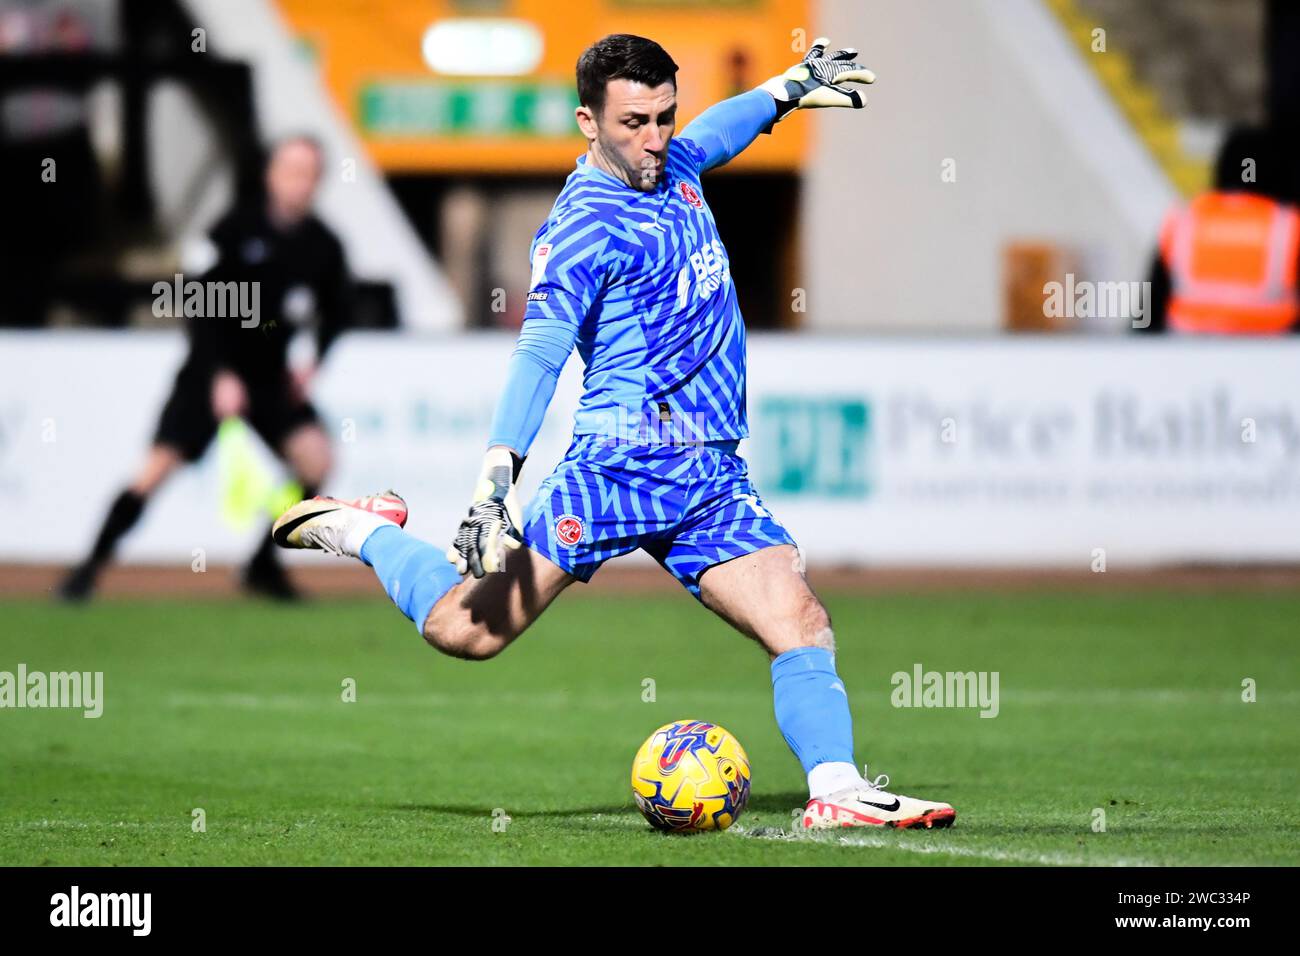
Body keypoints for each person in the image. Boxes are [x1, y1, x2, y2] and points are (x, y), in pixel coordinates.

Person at [273, 35, 955, 829]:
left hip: (708, 474)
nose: (656, 137)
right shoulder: (584, 226)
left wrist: (789, 86)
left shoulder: (676, 166)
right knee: (465, 631)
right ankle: (365, 531)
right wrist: (497, 480)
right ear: (587, 121)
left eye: (665, 116)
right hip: (619, 467)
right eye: (635, 121)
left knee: (801, 620)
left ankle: (837, 790)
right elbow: (540, 352)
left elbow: (720, 130)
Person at [60, 135, 352, 601]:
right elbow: (199, 306)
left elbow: (338, 312)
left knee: (317, 460)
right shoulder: (232, 230)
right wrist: (219, 374)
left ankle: (262, 565)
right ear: (270, 174)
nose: (299, 182)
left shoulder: (324, 245)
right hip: (209, 371)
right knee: (156, 469)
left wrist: (312, 364)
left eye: (309, 173)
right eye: (290, 169)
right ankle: (87, 570)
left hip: (269, 377)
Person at [1140, 127, 1299, 334]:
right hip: (1270, 350)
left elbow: (1149, 309)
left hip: (1188, 351)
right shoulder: (1288, 225)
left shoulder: (1184, 220)